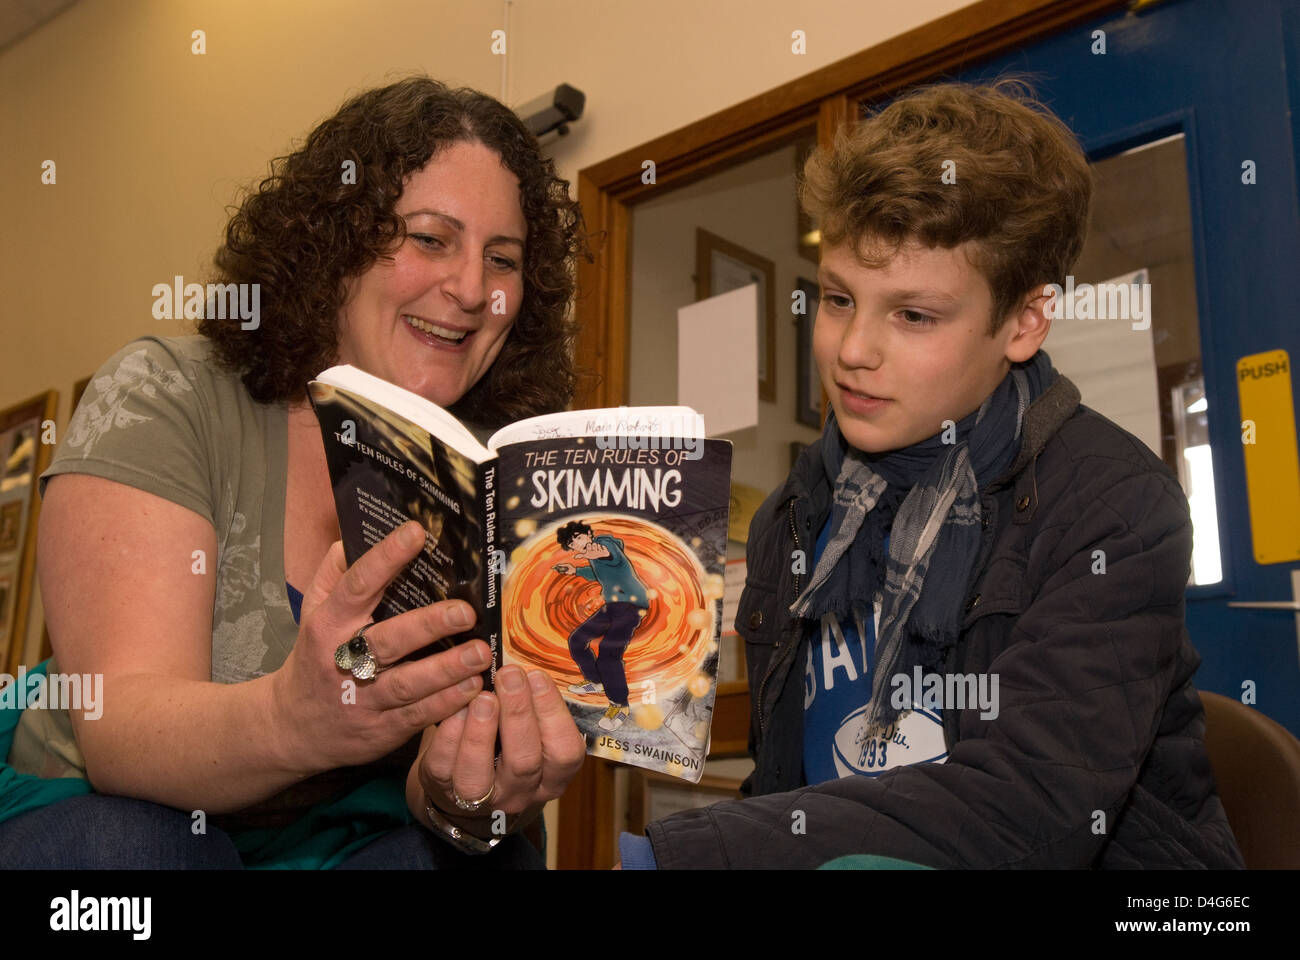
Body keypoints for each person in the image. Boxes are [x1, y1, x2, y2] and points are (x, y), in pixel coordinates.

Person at [620, 80, 1244, 869]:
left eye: (913, 315)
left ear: (1023, 321)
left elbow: (1028, 809)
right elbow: (786, 793)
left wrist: (685, 857)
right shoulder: (797, 511)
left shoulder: (1117, 507)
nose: (853, 350)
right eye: (840, 298)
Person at [0, 76, 592, 869]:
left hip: (345, 839)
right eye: (429, 238)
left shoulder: (494, 479)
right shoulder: (170, 396)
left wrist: (469, 795)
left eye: (503, 259)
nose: (470, 289)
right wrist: (295, 718)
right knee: (136, 850)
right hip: (108, 816)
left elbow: (438, 794)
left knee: (484, 858)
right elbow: (119, 729)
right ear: (335, 242)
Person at [552, 520, 649, 731]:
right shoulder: (593, 558)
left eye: (579, 537)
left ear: (589, 534)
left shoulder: (604, 542)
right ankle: (595, 681)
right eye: (573, 543)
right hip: (613, 604)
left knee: (608, 652)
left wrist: (600, 552)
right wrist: (574, 570)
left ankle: (619, 706)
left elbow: (609, 553)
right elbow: (597, 571)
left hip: (632, 604)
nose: (578, 544)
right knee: (577, 640)